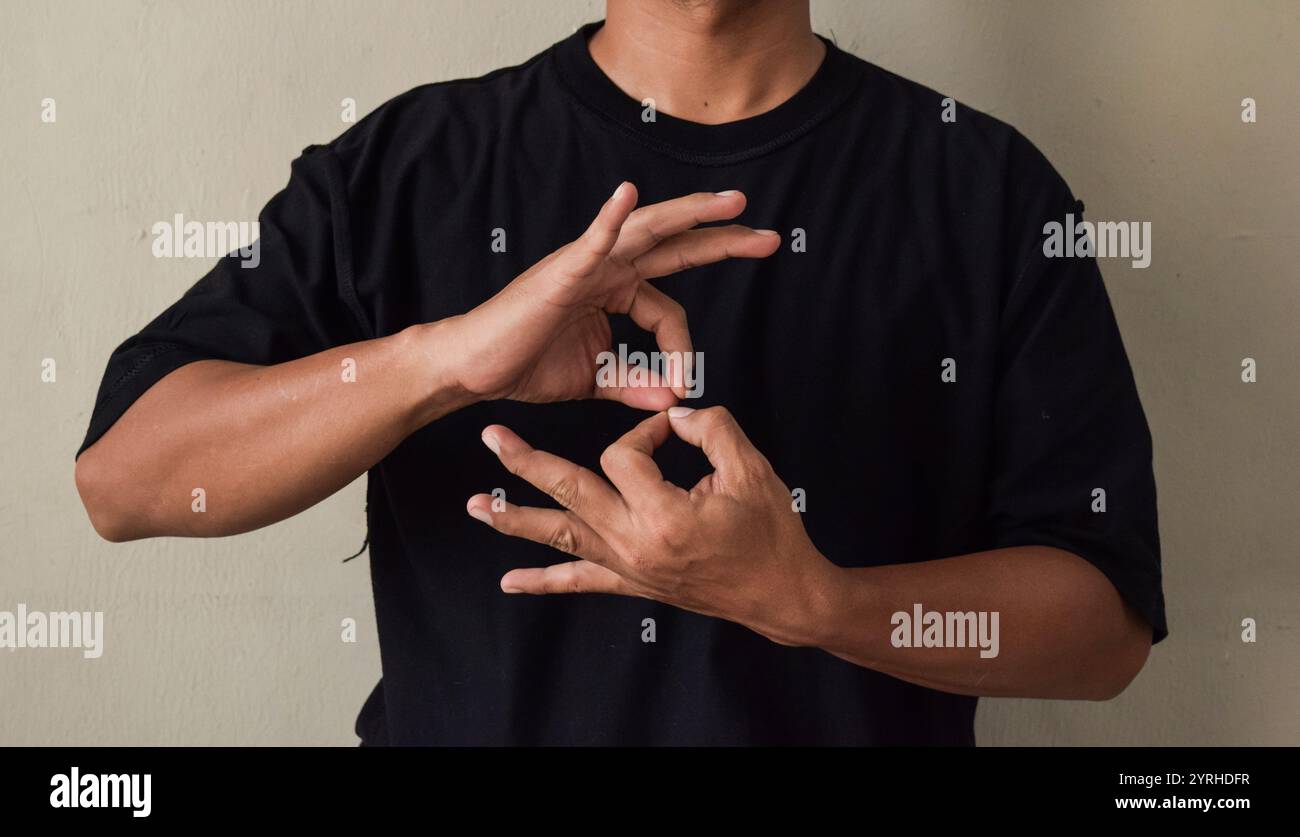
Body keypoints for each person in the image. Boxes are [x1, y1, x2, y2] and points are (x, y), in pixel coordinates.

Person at [75, 0, 1166, 745]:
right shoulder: (409, 164)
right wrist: (445, 361)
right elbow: (126, 481)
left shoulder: (985, 190)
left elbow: (1103, 627)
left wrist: (818, 604)